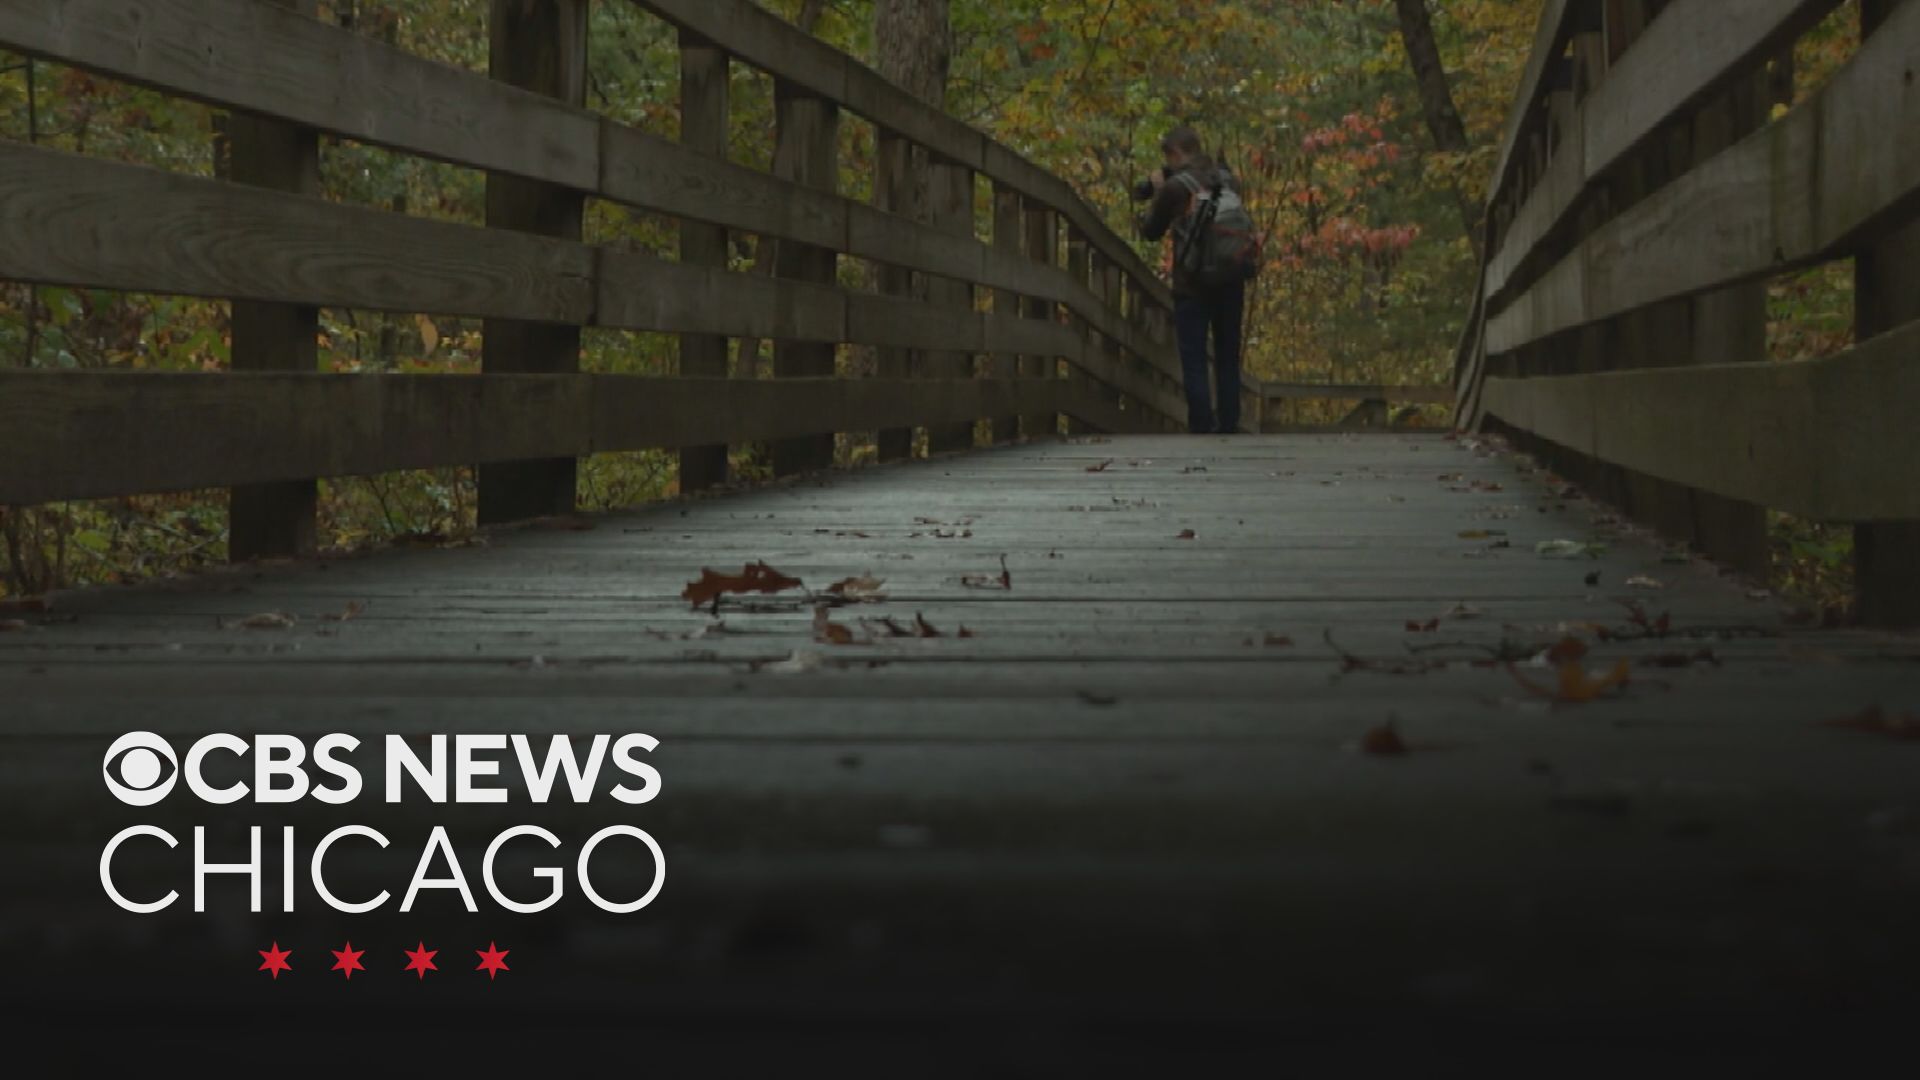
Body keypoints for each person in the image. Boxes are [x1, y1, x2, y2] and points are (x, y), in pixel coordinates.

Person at [1137, 126, 1247, 435]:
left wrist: (1158, 190)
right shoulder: (1228, 180)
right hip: (1230, 277)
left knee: (1194, 355)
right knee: (1227, 353)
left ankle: (1201, 424)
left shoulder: (1175, 187)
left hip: (1192, 284)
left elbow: (1150, 231)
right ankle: (1229, 422)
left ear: (1174, 153)